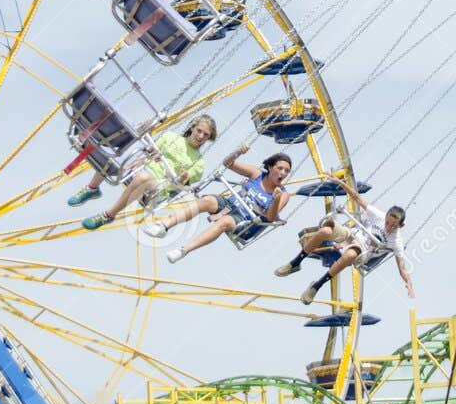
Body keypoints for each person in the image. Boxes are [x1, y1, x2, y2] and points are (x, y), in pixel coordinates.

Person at [275, 177, 414, 304]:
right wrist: (341, 183)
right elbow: (356, 197)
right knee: (325, 230)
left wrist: (408, 283)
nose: (388, 227)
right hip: (352, 235)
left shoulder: (397, 241)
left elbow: (402, 268)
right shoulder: (380, 216)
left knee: (351, 254)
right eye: (387, 222)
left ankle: (317, 286)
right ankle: (295, 263)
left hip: (362, 251)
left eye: (393, 226)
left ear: (401, 226)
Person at [147, 144, 291, 264]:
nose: (283, 173)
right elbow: (228, 164)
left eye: (286, 171)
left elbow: (271, 217)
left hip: (247, 223)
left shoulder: (283, 194)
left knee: (225, 221)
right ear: (271, 167)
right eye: (280, 168)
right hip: (231, 205)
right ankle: (164, 227)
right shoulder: (257, 174)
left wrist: (276, 199)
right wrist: (237, 153)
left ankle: (183, 250)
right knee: (207, 201)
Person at [74, 114, 217, 230]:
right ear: (192, 127)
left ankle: (108, 215)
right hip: (143, 170)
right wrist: (134, 162)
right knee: (117, 154)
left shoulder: (199, 163)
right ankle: (92, 188)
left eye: (205, 135)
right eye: (199, 131)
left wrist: (183, 177)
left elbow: (181, 185)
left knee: (143, 177)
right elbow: (148, 154)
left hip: (159, 188)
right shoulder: (170, 137)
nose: (200, 136)